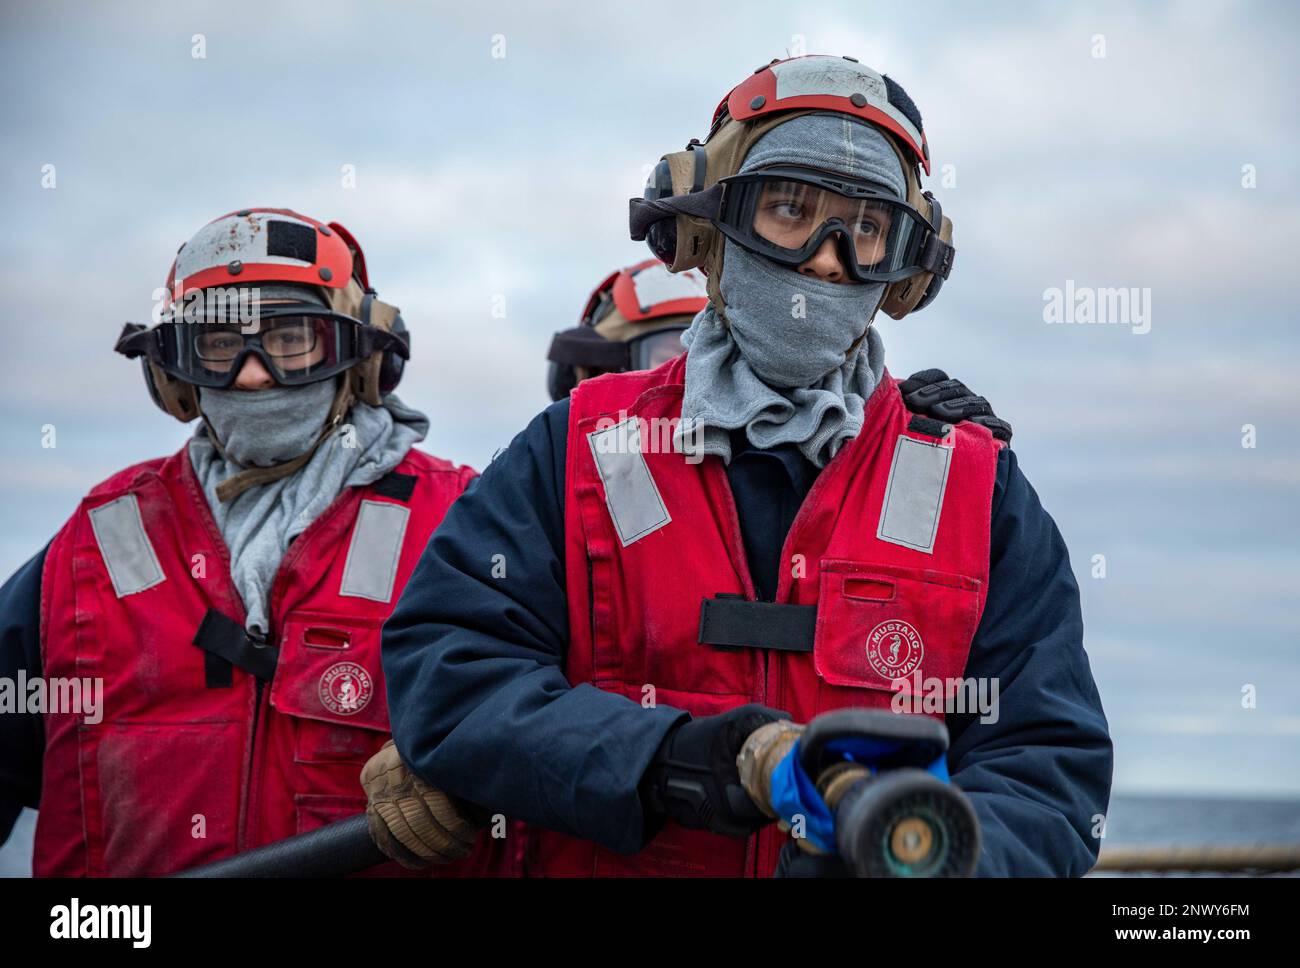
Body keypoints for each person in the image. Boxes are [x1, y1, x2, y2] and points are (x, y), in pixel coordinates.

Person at [372, 54, 1112, 877]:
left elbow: (1050, 771)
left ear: (906, 270)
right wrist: (678, 760)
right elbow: (452, 674)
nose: (831, 260)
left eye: (867, 229)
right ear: (709, 225)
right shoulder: (576, 447)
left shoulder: (979, 489)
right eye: (792, 209)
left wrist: (940, 864)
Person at [0, 207, 513, 876]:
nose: (252, 374)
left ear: (359, 358)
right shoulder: (93, 542)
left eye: (291, 339)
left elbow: (556, 738)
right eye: (219, 344)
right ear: (175, 373)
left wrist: (479, 762)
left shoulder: (461, 525)